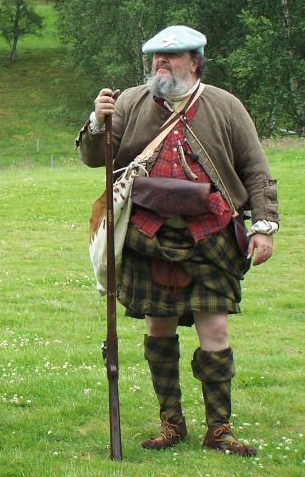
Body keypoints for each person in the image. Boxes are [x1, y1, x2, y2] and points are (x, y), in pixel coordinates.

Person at [76, 25, 278, 456]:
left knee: (216, 327)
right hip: (147, 236)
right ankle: (171, 423)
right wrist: (97, 121)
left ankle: (218, 428)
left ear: (195, 61)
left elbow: (256, 170)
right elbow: (94, 158)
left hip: (211, 236)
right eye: (156, 58)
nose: (162, 64)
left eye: (173, 57)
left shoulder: (224, 106)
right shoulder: (128, 102)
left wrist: (262, 226)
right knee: (158, 327)